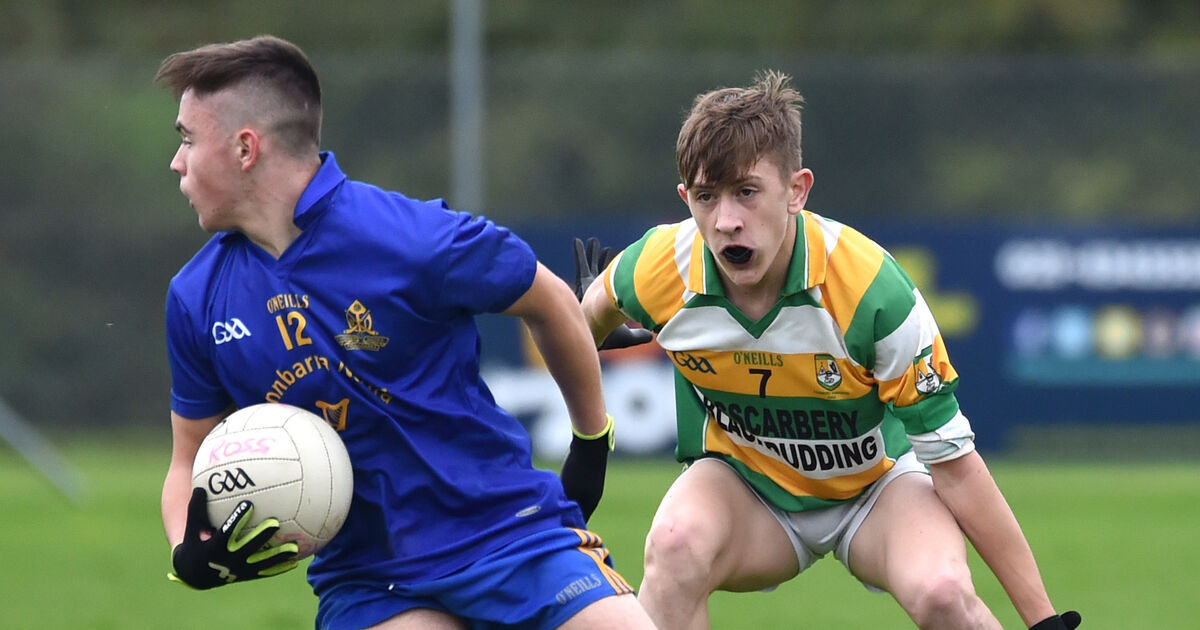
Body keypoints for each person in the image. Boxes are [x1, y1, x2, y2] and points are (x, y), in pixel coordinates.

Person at [155, 35, 657, 630]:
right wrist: (187, 548)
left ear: (245, 148)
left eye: (188, 138)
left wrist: (591, 442)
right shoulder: (196, 297)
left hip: (509, 532)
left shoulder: (413, 238)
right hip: (369, 580)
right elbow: (188, 457)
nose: (177, 161)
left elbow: (551, 301)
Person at [575, 71, 1081, 630]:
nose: (726, 221)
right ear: (684, 200)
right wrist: (594, 379)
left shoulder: (870, 290)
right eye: (705, 197)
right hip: (748, 486)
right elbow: (582, 319)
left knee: (941, 591)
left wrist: (1042, 620)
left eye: (746, 191)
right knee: (674, 547)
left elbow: (957, 470)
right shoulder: (657, 268)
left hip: (876, 489)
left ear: (796, 190)